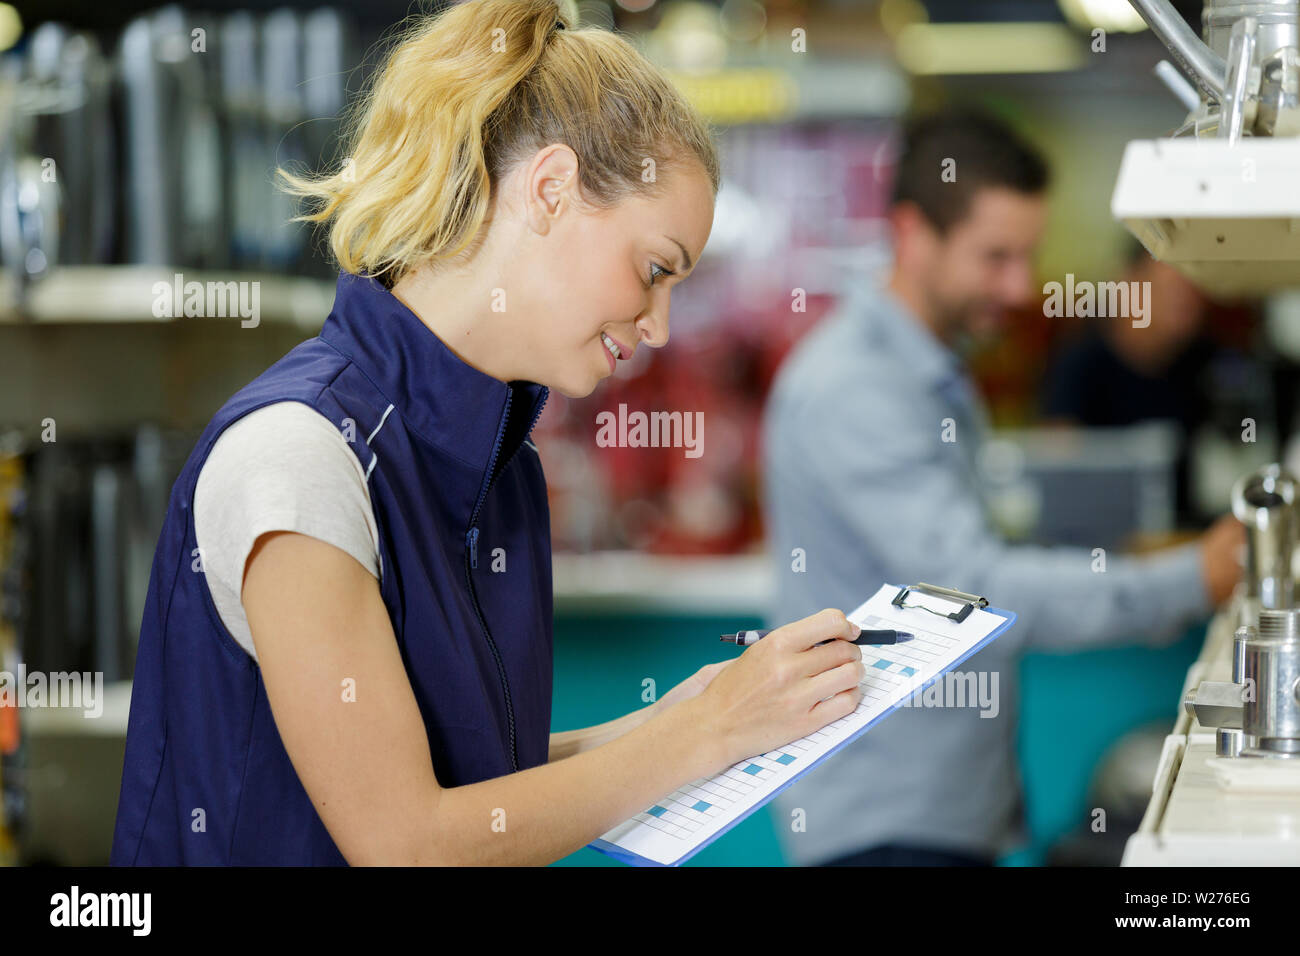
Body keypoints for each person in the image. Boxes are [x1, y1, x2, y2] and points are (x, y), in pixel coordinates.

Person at [110, 0, 868, 866]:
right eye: (654, 270)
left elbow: (471, 782)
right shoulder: (300, 455)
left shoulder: (496, 463)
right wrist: (702, 732)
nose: (658, 325)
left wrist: (690, 719)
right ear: (549, 191)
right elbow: (406, 841)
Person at [761, 108, 1244, 867]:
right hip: (885, 830)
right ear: (915, 233)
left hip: (941, 812)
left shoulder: (931, 373)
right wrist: (1191, 576)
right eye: (996, 256)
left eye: (1027, 256)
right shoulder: (855, 387)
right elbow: (974, 589)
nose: (1020, 287)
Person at [1041, 241, 1217, 524]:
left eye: (1192, 289)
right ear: (1128, 284)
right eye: (1170, 288)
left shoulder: (1211, 365)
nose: (1184, 301)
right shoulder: (1080, 363)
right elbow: (1060, 469)